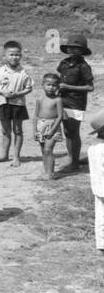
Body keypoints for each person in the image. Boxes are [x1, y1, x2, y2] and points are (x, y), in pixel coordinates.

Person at [0, 40, 34, 166]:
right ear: (5, 56)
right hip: (3, 103)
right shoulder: (0, 71)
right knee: (5, 131)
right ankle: (4, 154)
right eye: (11, 54)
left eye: (17, 54)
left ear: (21, 56)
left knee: (18, 130)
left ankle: (16, 157)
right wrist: (3, 92)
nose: (15, 57)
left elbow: (29, 88)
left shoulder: (23, 72)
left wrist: (18, 94)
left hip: (18, 104)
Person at [56, 33, 94, 174]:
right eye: (71, 47)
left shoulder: (84, 66)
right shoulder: (64, 63)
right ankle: (73, 159)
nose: (73, 50)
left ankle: (75, 163)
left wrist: (68, 87)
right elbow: (60, 79)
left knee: (73, 131)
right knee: (67, 131)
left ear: (82, 50)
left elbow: (90, 87)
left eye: (77, 48)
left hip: (76, 102)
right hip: (62, 100)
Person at [34, 73, 65, 181]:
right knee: (43, 150)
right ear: (42, 85)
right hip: (41, 126)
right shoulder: (39, 99)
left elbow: (60, 116)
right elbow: (35, 116)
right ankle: (46, 171)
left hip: (53, 126)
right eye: (48, 85)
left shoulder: (58, 100)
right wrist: (34, 130)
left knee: (48, 149)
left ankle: (51, 173)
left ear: (58, 86)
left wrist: (52, 130)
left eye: (54, 85)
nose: (51, 87)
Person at [87, 110, 104, 251]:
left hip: (98, 187)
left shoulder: (92, 148)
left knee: (101, 215)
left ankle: (101, 245)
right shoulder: (101, 149)